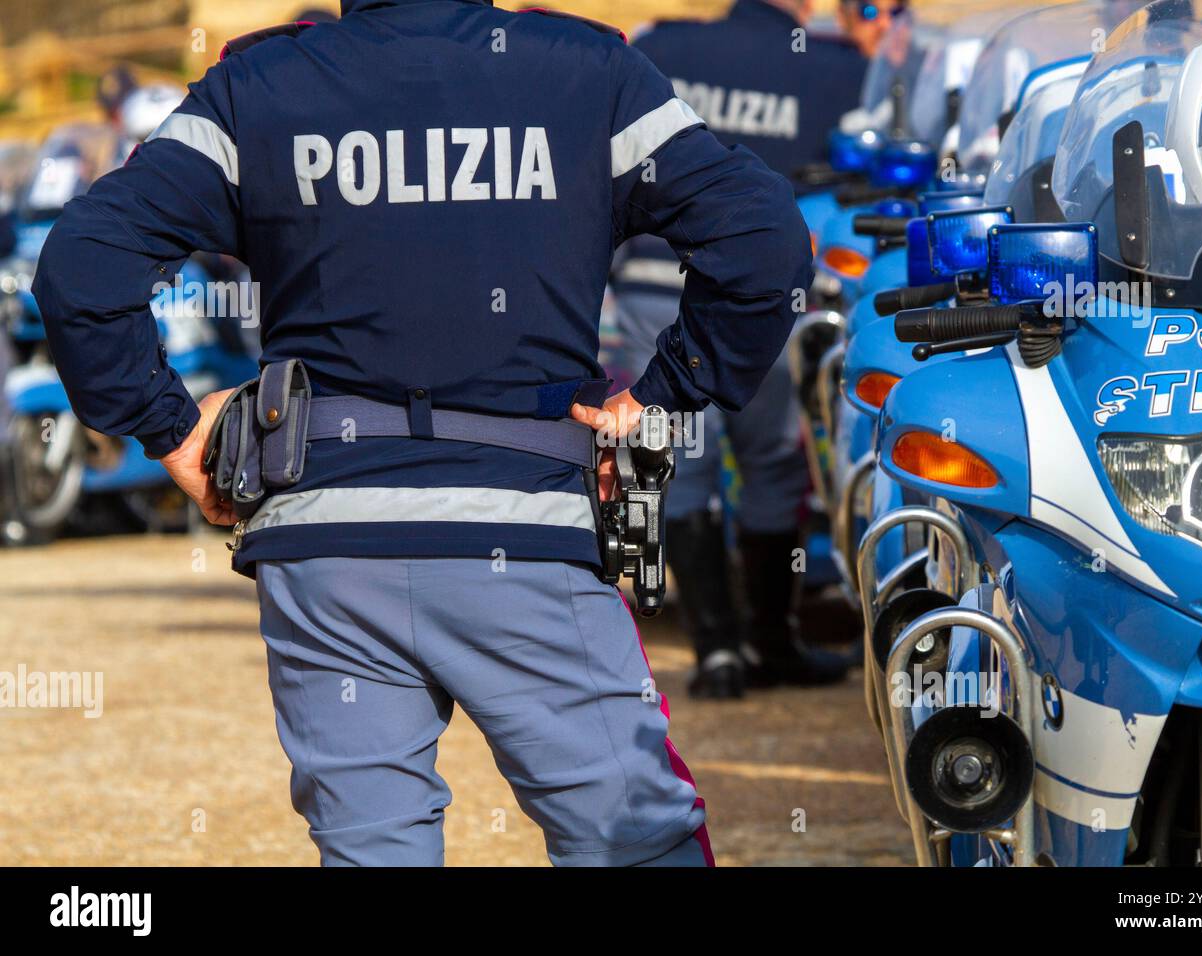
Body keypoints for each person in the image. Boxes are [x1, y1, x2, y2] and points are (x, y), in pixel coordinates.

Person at [32, 0, 811, 867]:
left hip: (325, 550)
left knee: (376, 855)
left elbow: (80, 266)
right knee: (635, 841)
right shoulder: (585, 71)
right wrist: (660, 399)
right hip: (529, 534)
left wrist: (172, 431)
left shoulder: (258, 86)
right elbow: (764, 239)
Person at [613, 0, 865, 699]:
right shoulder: (837, 67)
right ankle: (772, 642)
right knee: (775, 466)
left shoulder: (663, 45)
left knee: (681, 465)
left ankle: (717, 652)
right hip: (764, 296)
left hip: (651, 283)